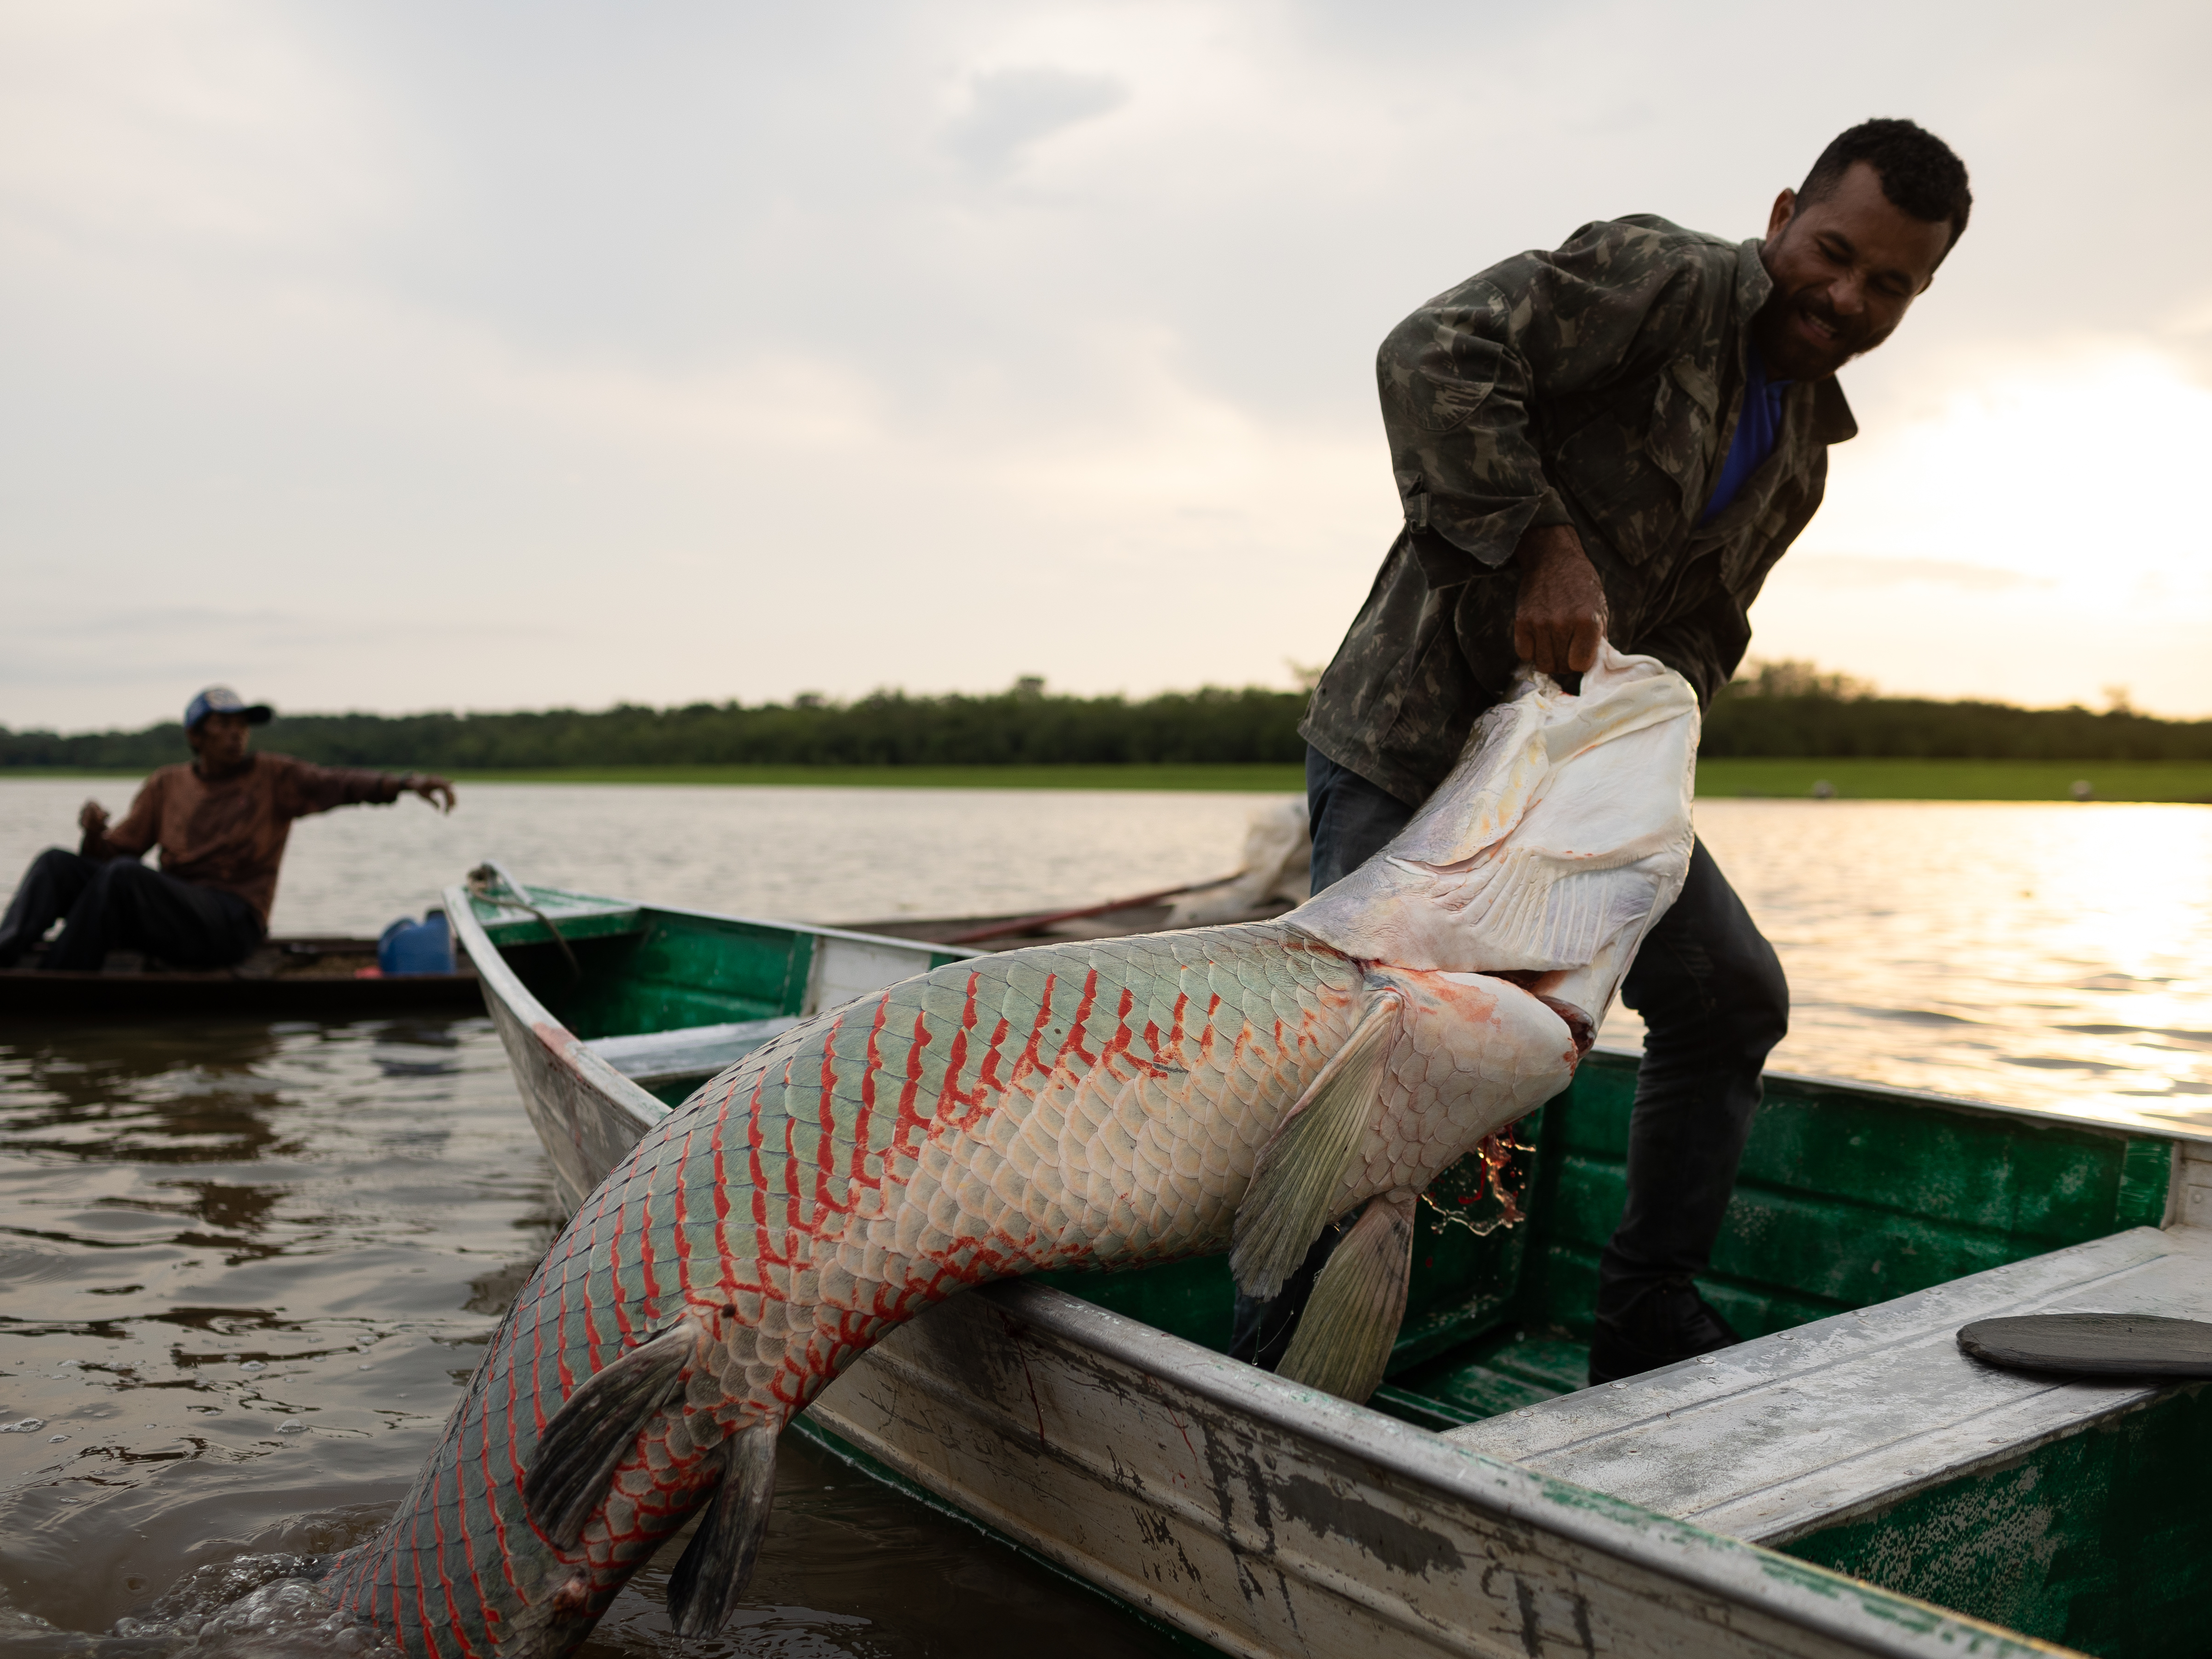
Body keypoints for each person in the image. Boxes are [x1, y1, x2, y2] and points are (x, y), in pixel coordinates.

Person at [1245, 119, 1971, 1385]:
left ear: (1919, 294)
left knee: (1730, 992)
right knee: (1363, 1062)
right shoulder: (1667, 278)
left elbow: (1701, 635)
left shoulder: (1803, 454)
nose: (1846, 297)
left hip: (1579, 795)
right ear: (1786, 209)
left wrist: (1637, 771)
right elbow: (1431, 350)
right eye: (1834, 253)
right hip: (1414, 748)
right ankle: (1261, 1374)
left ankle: (1642, 1312)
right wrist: (1540, 540)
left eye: (1888, 285)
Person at [0, 686, 458, 973]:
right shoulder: (167, 784)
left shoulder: (273, 777)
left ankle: (61, 979)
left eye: (242, 726)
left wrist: (405, 783)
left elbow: (337, 782)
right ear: (196, 737)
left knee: (124, 877)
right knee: (57, 864)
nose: (236, 734)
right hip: (174, 914)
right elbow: (109, 860)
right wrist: (94, 835)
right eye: (223, 725)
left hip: (231, 921)